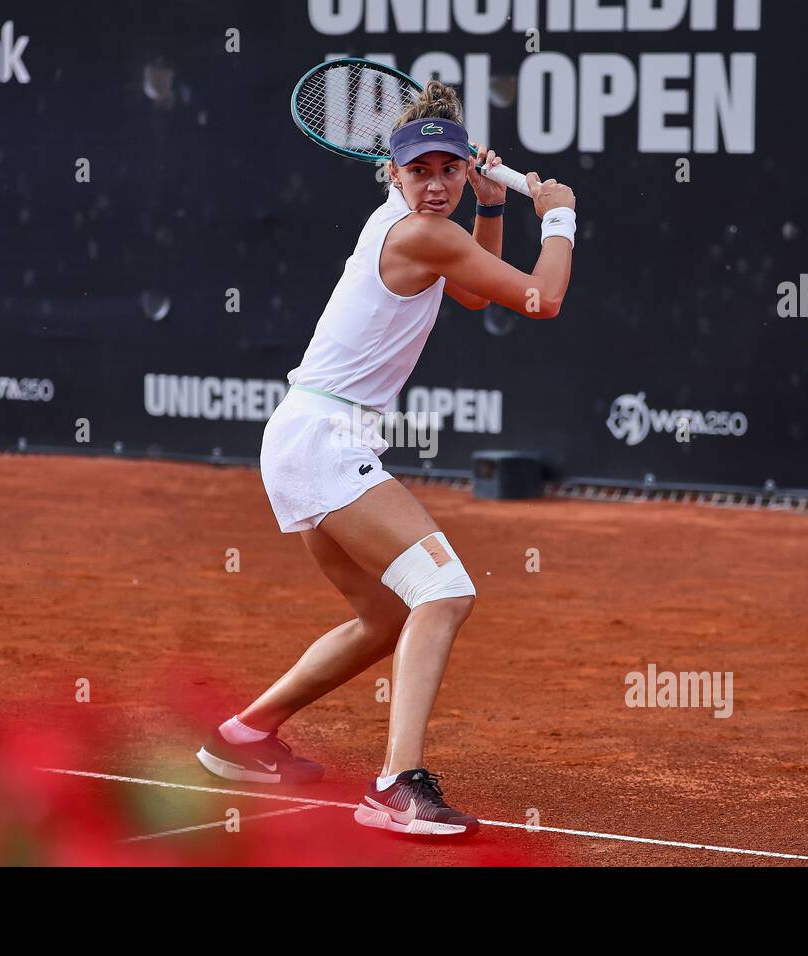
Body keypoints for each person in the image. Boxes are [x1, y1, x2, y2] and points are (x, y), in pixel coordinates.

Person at [197, 79, 576, 836]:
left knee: (381, 616)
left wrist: (495, 206)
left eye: (449, 170)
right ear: (393, 175)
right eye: (419, 172)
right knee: (445, 591)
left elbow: (471, 293)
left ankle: (243, 736)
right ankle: (397, 789)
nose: (435, 185)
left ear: (467, 169)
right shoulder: (422, 232)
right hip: (325, 442)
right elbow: (543, 299)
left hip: (306, 437)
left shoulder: (409, 224)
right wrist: (559, 215)